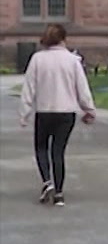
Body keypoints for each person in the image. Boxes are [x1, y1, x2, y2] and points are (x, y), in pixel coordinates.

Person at [19, 24, 97, 206]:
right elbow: (82, 88)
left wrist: (24, 113)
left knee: (40, 148)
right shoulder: (72, 60)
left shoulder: (37, 59)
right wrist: (89, 109)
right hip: (66, 112)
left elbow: (28, 88)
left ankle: (47, 181)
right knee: (58, 151)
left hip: (45, 111)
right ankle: (59, 193)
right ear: (64, 38)